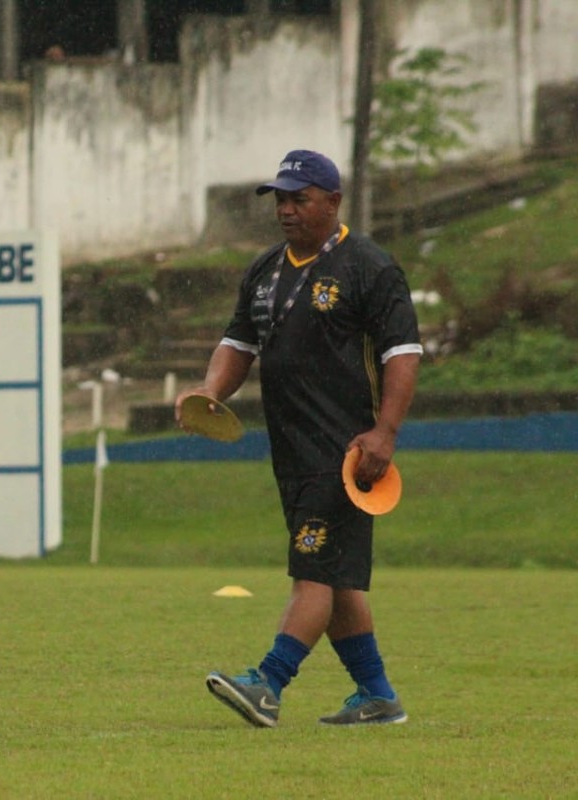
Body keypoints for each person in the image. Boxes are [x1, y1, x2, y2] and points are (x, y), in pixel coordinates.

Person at [174, 149, 423, 728]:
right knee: (334, 574)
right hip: (290, 449)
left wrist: (385, 432)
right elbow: (239, 344)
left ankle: (268, 683)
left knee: (312, 571)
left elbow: (402, 355)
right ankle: (377, 694)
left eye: (299, 199)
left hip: (346, 454)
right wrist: (211, 393)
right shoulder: (264, 271)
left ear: (333, 202)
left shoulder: (369, 267)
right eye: (280, 199)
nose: (286, 210)